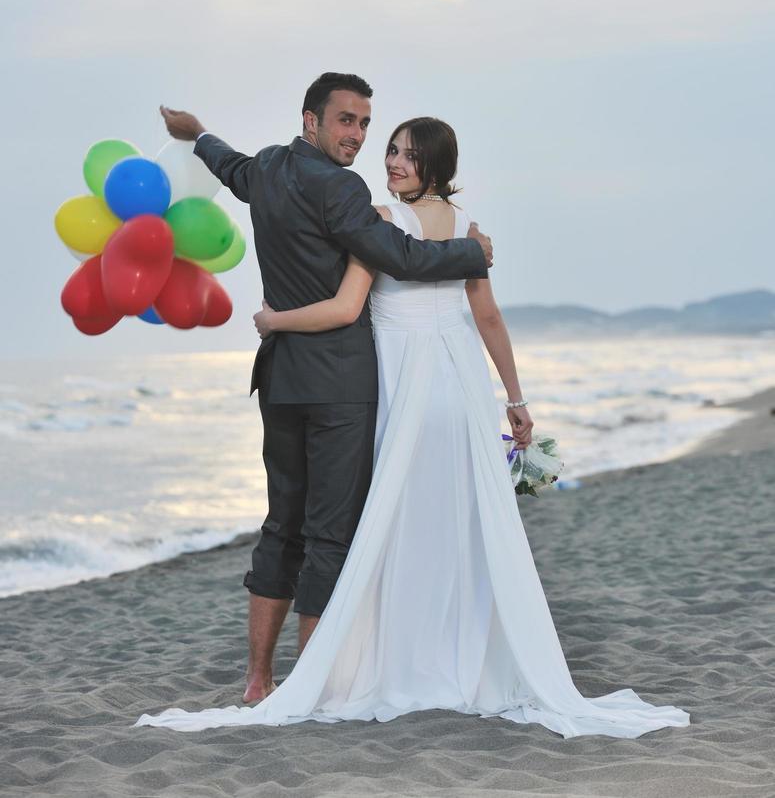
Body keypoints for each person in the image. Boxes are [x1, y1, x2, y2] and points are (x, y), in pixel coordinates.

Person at [137, 118, 689, 738]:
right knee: (461, 522)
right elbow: (488, 318)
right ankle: (458, 658)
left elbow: (348, 308)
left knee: (389, 521)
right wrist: (516, 398)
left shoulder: (380, 218)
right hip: (460, 384)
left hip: (404, 383)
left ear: (435, 166)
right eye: (392, 150)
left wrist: (275, 321)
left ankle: (382, 659)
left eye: (408, 155)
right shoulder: (470, 229)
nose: (393, 161)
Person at [158, 77, 492, 705]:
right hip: (339, 382)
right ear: (310, 120)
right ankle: (305, 683)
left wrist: (195, 133)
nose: (357, 137)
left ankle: (258, 681)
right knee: (329, 532)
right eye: (346, 121)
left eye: (365, 123)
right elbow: (402, 257)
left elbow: (227, 165)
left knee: (282, 524)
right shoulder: (340, 187)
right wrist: (471, 252)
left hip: (281, 377)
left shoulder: (266, 169)